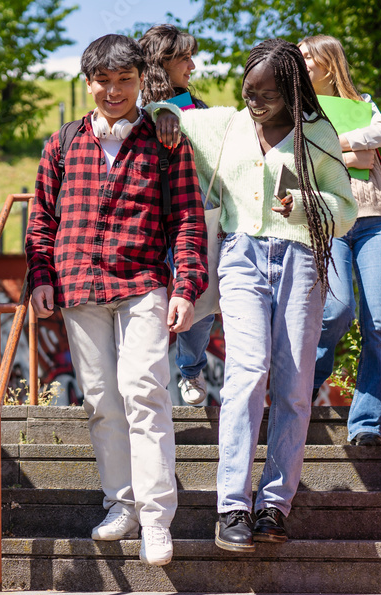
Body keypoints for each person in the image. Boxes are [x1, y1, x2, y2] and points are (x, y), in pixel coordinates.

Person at [147, 38, 357, 553]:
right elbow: (153, 109)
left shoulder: (318, 132)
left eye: (266, 95)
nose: (255, 102)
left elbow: (345, 210)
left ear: (291, 92)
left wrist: (306, 202)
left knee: (292, 384)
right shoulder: (224, 124)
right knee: (249, 371)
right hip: (240, 256)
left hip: (303, 259)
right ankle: (233, 505)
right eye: (248, 92)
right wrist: (164, 114)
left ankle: (274, 505)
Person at [25, 34, 207, 567]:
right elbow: (41, 219)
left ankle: (155, 518)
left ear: (139, 82)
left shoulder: (166, 140)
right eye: (103, 80)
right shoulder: (61, 144)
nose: (113, 90)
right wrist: (40, 274)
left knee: (145, 392)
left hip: (143, 284)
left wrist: (186, 286)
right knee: (102, 401)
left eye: (124, 80)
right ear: (87, 83)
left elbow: (189, 221)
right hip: (78, 287)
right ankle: (120, 503)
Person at [299, 35, 381, 447]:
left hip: (378, 220)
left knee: (378, 324)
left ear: (327, 63)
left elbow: (380, 136)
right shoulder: (297, 111)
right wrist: (350, 151)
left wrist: (331, 146)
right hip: (330, 220)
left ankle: (368, 424)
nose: (300, 63)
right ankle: (300, 394)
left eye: (307, 57)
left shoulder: (363, 103)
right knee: (337, 310)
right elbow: (296, 153)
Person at [139, 24, 214, 407]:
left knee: (198, 298)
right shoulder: (131, 102)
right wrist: (159, 111)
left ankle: (190, 369)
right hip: (144, 220)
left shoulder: (195, 108)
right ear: (162, 61)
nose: (193, 65)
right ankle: (148, 379)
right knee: (147, 304)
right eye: (184, 57)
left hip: (189, 216)